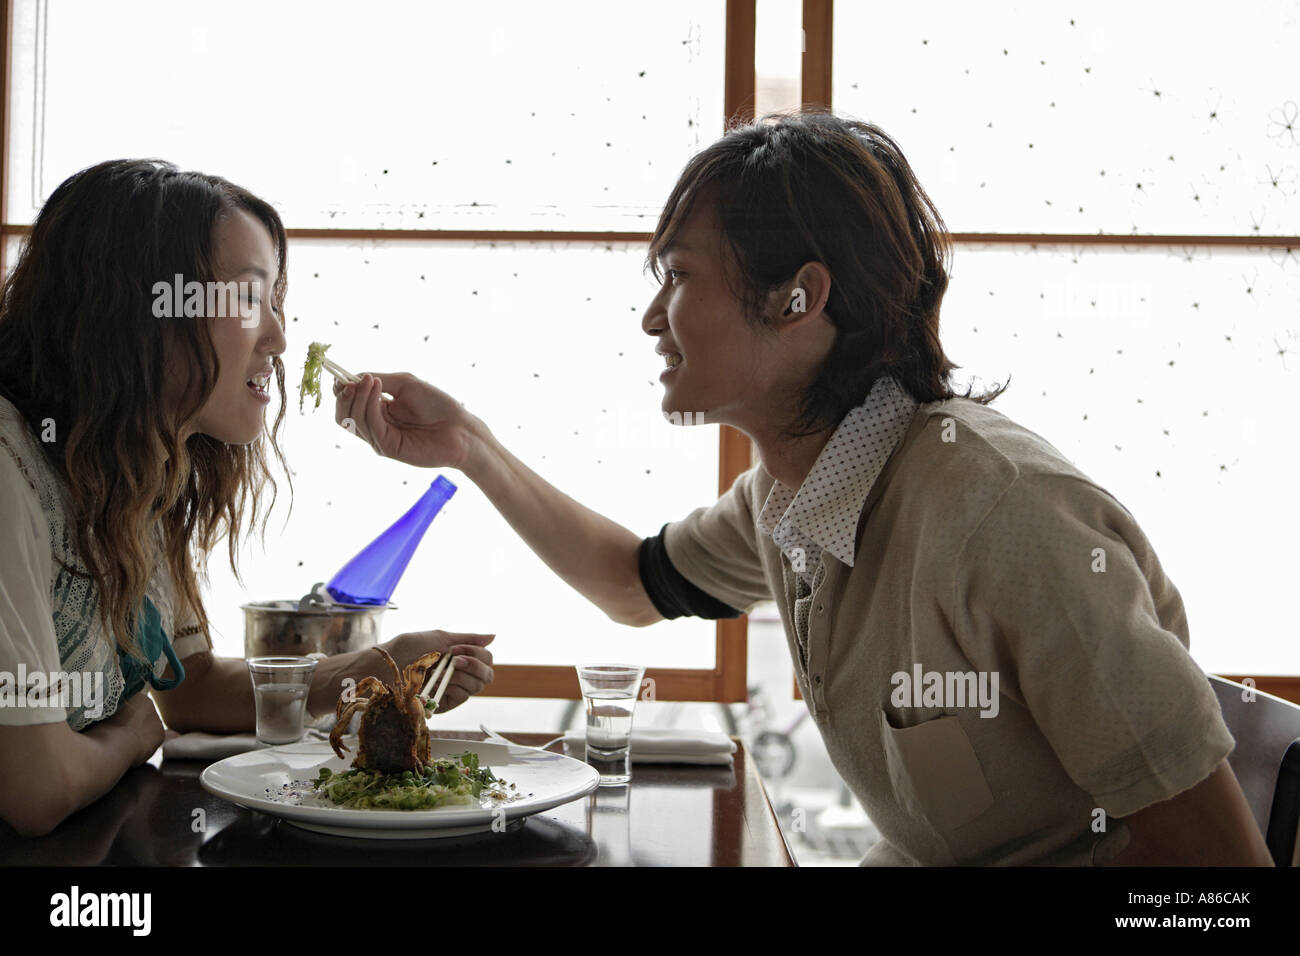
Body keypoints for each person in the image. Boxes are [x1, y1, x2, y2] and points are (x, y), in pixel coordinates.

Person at [332, 110, 1272, 866]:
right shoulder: (791, 495)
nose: (652, 316)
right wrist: (470, 446)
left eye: (680, 276)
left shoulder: (1007, 516)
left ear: (799, 298)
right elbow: (631, 582)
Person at [0, 160, 495, 838]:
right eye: (245, 301)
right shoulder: (10, 470)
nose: (280, 339)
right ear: (136, 307)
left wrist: (381, 666)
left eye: (276, 304)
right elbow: (35, 785)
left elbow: (193, 685)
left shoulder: (134, 473)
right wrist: (131, 734)